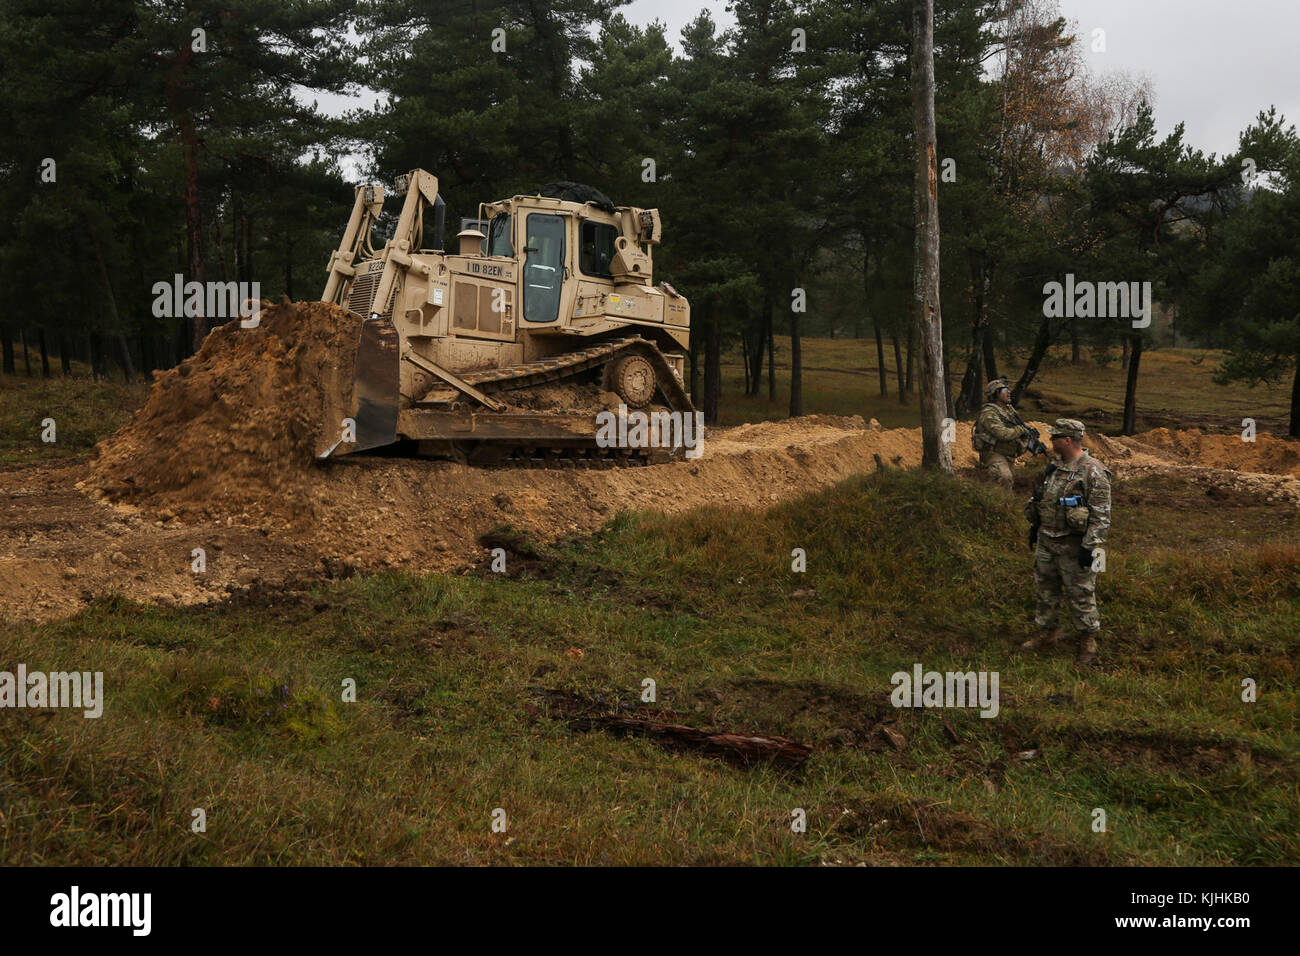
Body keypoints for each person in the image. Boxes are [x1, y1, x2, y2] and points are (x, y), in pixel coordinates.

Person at [1021, 418, 1112, 666]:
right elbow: (1045, 499)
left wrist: (1090, 546)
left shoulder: (1093, 471)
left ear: (1067, 440)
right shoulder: (1056, 466)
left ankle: (1087, 641)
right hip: (1047, 540)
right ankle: (1048, 633)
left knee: (1081, 594)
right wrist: (1035, 527)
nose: (1051, 441)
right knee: (1046, 591)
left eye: (1055, 437)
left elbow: (1101, 514)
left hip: (1074, 546)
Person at [972, 379, 1042, 489]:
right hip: (993, 453)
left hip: (1007, 454)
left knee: (1010, 481)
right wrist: (1021, 430)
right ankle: (997, 505)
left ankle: (1007, 503)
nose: (1009, 392)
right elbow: (1002, 434)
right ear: (996, 393)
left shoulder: (1009, 410)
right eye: (1005, 390)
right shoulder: (989, 413)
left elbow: (1017, 426)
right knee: (1004, 478)